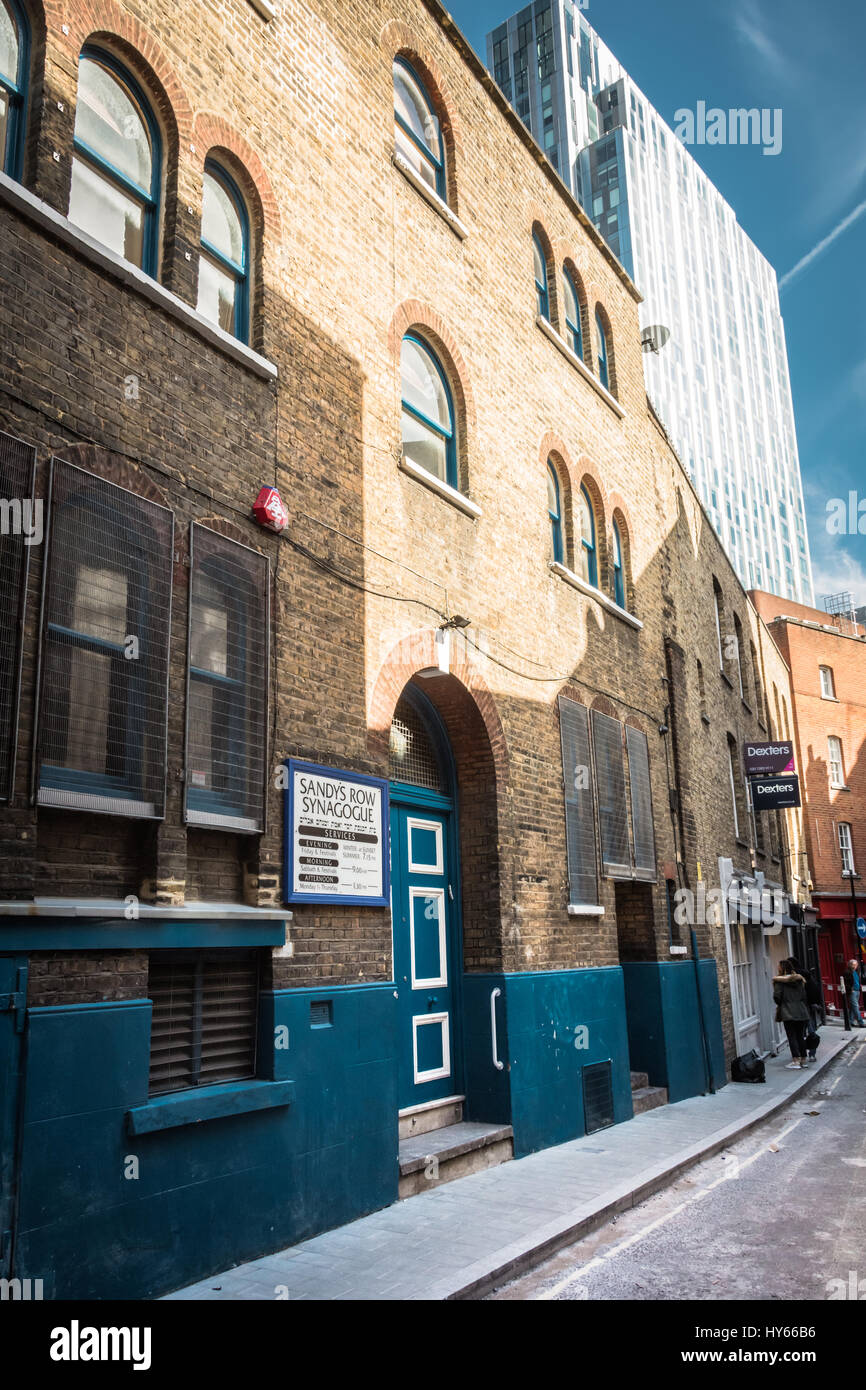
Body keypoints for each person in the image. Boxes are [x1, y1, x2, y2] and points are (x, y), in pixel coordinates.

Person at [772, 959, 810, 1068]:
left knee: (791, 1037)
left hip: (788, 1012)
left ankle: (795, 1061)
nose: (777, 967)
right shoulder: (799, 980)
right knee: (800, 1036)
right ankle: (803, 1059)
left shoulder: (779, 982)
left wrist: (782, 1003)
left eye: (779, 966)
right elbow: (804, 996)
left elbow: (777, 997)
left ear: (782, 968)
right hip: (801, 1011)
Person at [803, 968, 823, 1062]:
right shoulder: (813, 983)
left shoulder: (805, 985)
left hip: (804, 1011)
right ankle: (811, 1054)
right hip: (809, 1011)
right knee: (811, 1032)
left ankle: (806, 1055)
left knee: (809, 1033)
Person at [843, 959, 864, 1028]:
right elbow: (845, 983)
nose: (855, 966)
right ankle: (861, 1022)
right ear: (850, 965)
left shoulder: (856, 971)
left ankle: (850, 1021)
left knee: (852, 1007)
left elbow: (858, 980)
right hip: (852, 992)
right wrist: (850, 989)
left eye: (856, 965)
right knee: (856, 1007)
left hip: (857, 991)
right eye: (853, 965)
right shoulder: (847, 972)